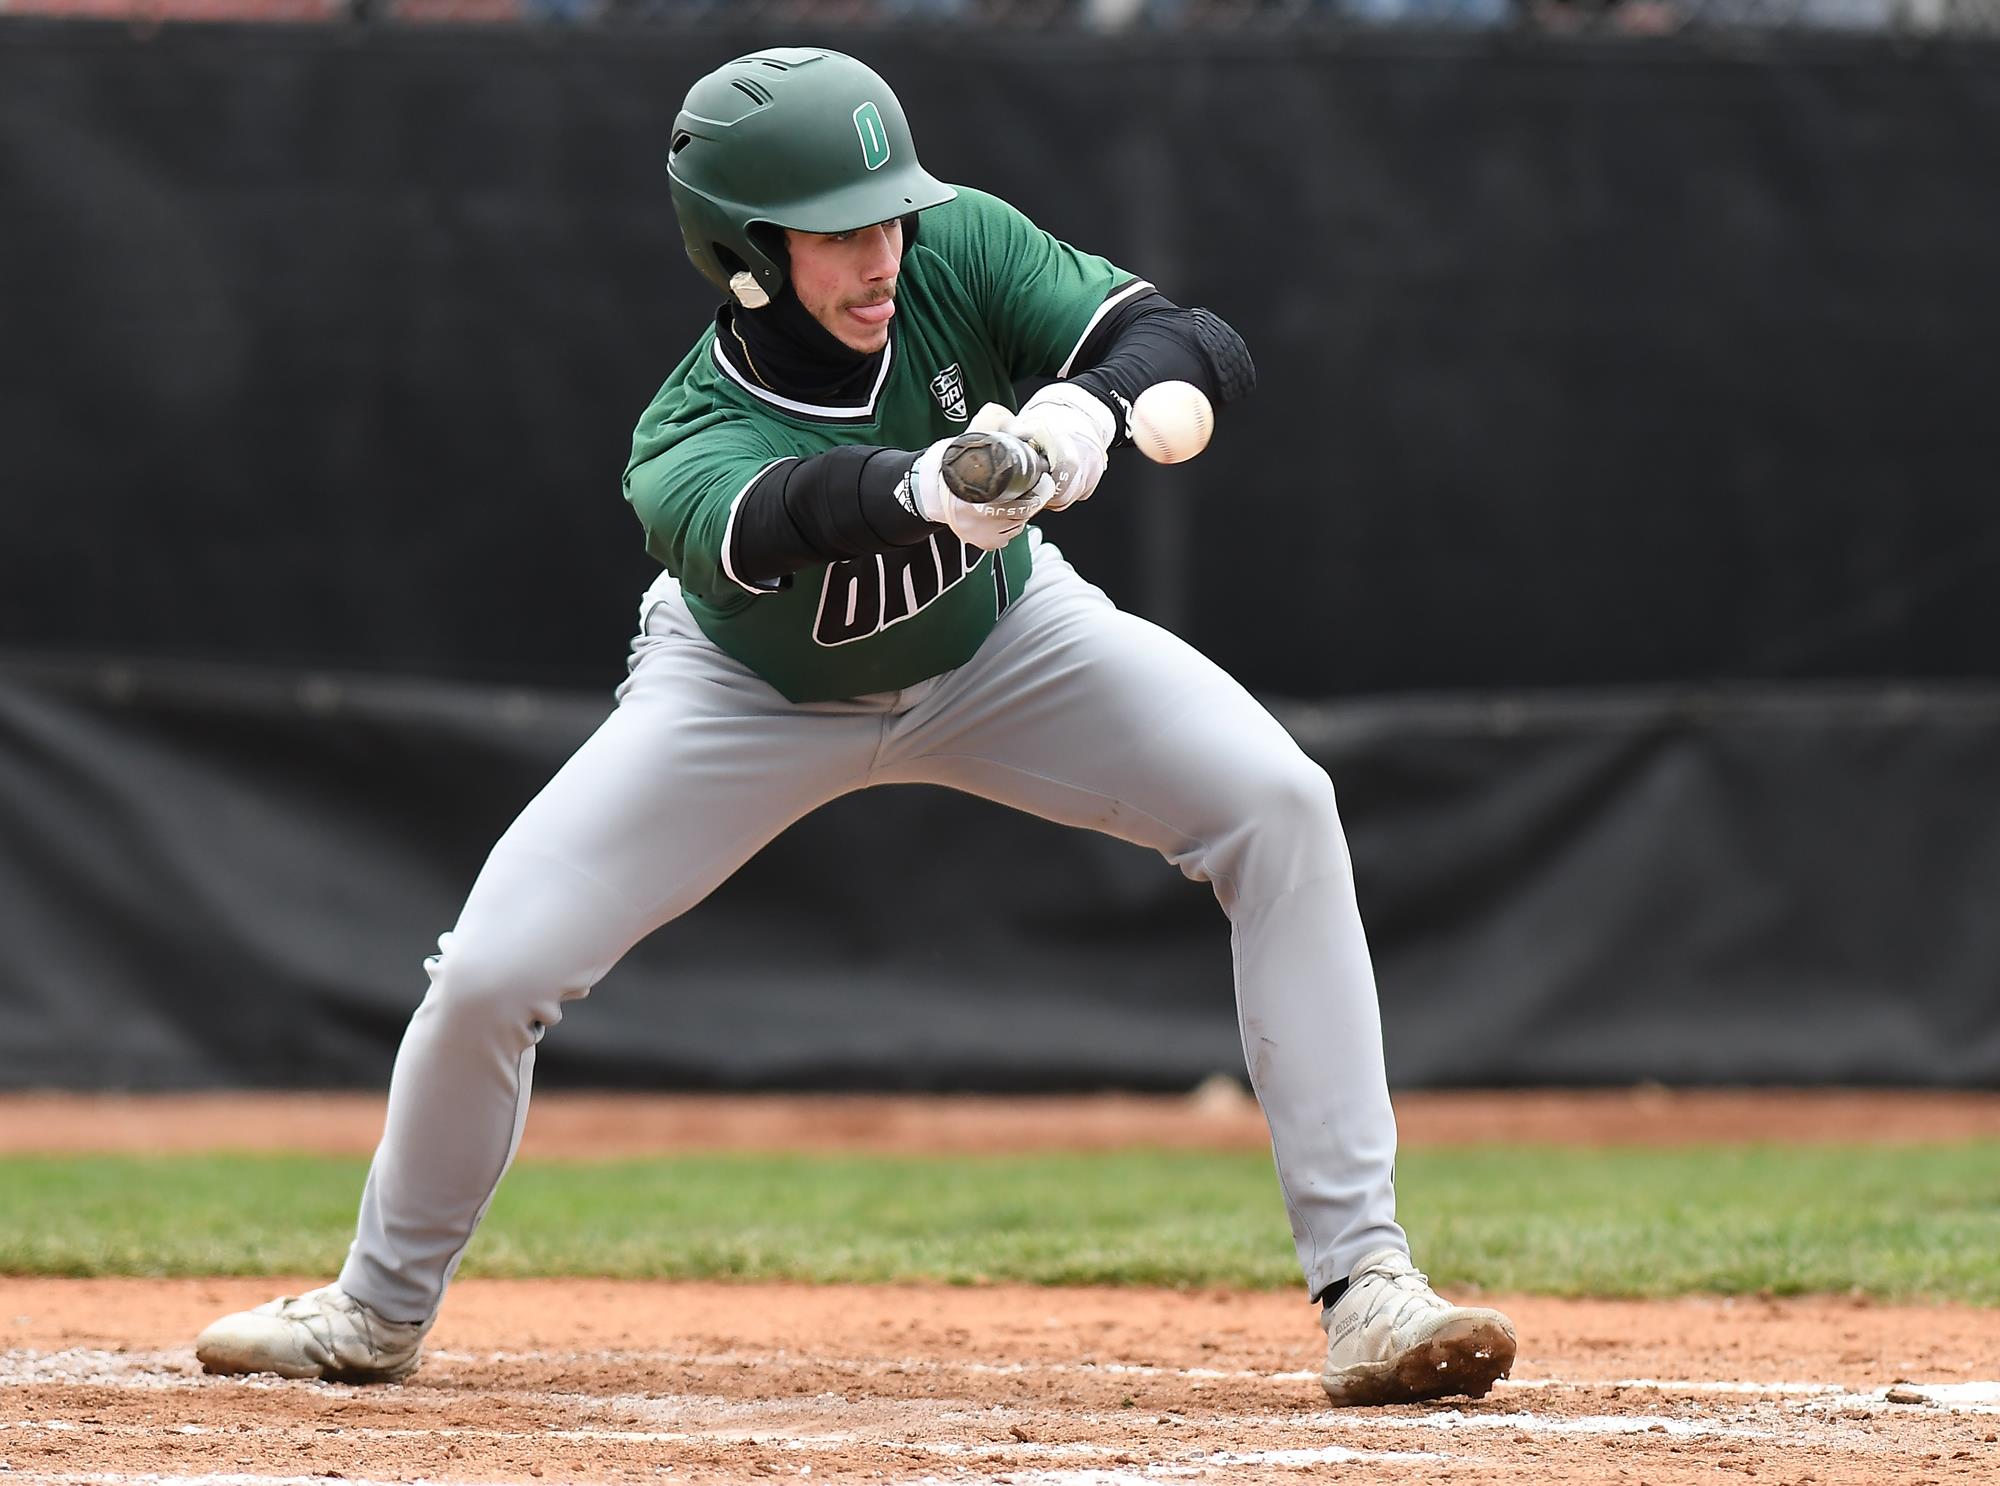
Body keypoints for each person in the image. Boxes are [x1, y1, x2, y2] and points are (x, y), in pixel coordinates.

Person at [193, 46, 1516, 1408]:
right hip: (743, 698)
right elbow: (784, 515)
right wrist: (926, 483)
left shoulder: (954, 246)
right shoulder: (685, 427)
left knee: (1280, 800)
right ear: (745, 254)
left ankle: (1368, 1283)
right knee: (486, 976)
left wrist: (1088, 406)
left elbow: (1194, 341)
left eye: (888, 211)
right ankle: (374, 1308)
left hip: (1008, 641)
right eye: (837, 231)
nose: (882, 252)